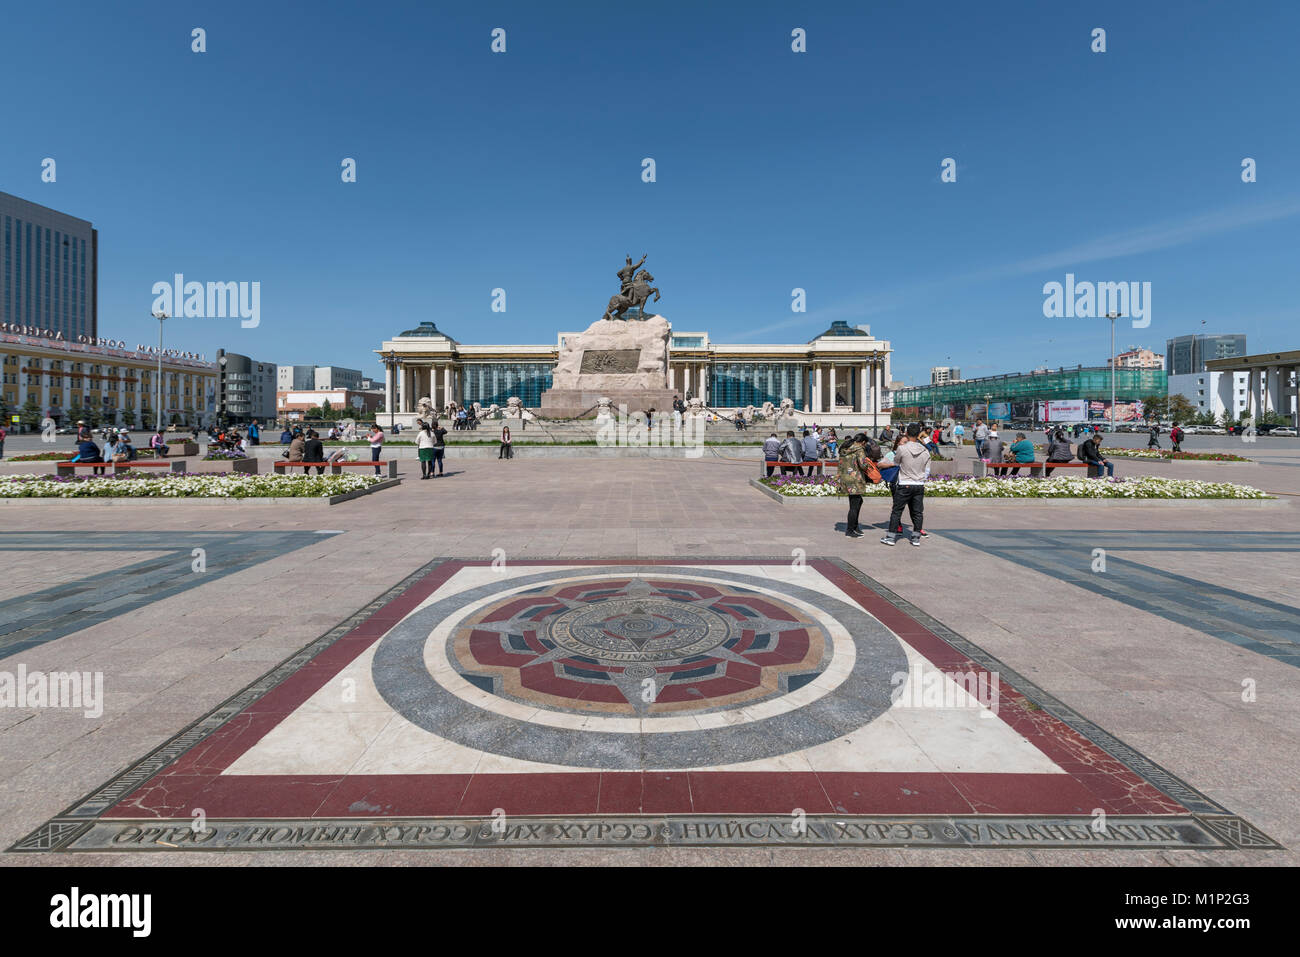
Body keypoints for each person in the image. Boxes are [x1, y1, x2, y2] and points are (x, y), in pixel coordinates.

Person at [881, 424, 929, 546]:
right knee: (918, 512)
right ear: (919, 434)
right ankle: (916, 538)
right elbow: (927, 469)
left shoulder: (902, 449)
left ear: (907, 433)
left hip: (905, 483)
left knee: (897, 511)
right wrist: (921, 479)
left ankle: (891, 538)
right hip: (919, 484)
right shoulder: (925, 450)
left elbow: (896, 462)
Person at [837, 433, 872, 538]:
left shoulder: (845, 448)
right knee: (854, 506)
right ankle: (850, 530)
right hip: (855, 480)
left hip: (846, 479)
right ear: (863, 442)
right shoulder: (859, 450)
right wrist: (869, 464)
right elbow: (863, 465)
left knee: (858, 501)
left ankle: (855, 526)